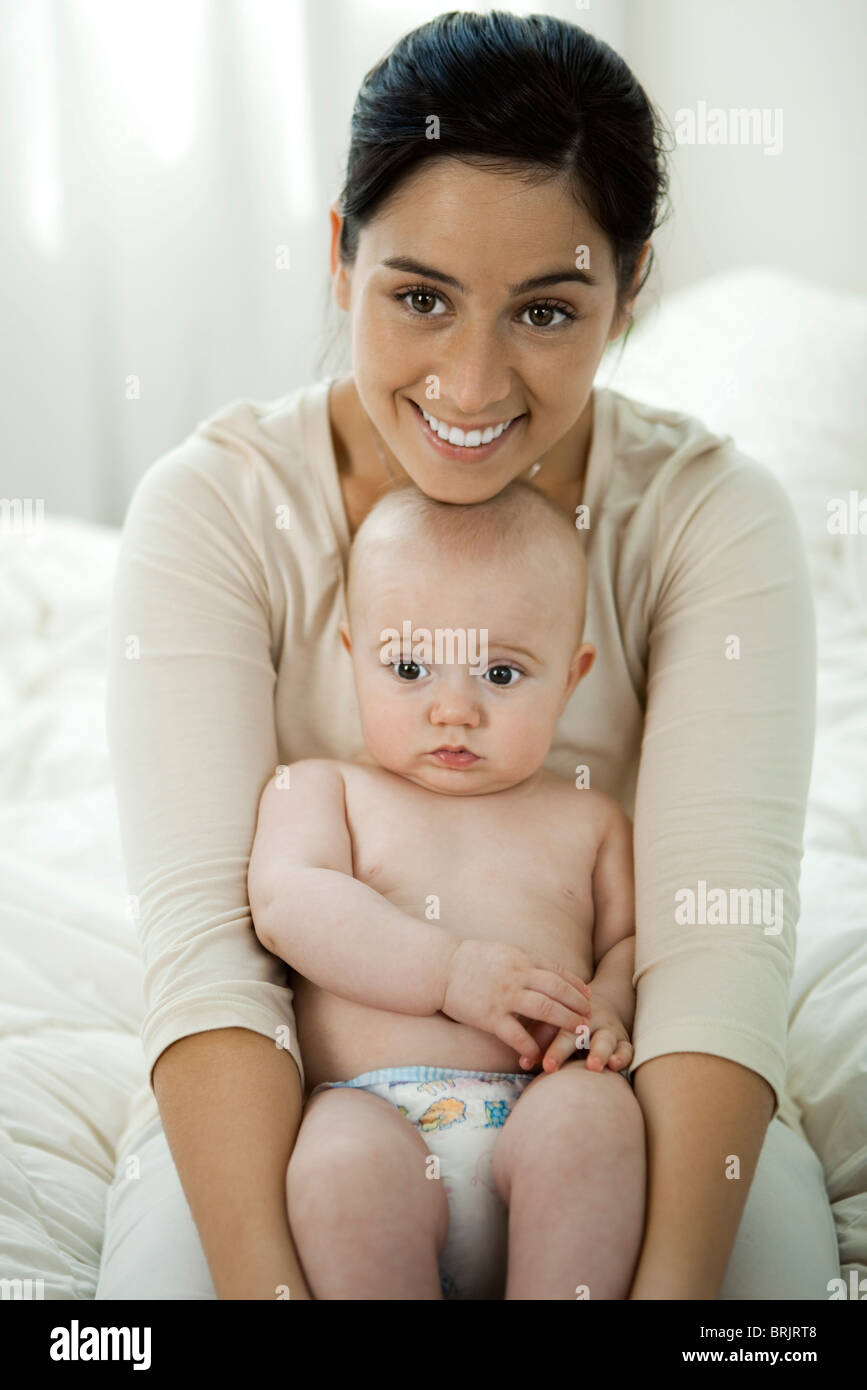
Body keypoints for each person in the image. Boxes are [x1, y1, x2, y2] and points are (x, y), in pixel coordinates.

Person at [97, 11, 840, 1300]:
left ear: (632, 287)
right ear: (341, 258)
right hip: (316, 1118)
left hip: (609, 1113)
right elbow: (212, 955)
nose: (473, 380)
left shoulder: (712, 519)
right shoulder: (215, 509)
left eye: (547, 310)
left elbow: (710, 955)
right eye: (421, 297)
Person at [248, 479, 642, 1300]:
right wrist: (448, 970)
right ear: (353, 656)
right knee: (337, 1158)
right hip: (372, 1110)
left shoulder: (591, 818)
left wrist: (606, 1009)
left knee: (597, 1119)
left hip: (538, 1112)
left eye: (500, 672)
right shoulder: (320, 790)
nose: (453, 709)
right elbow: (290, 904)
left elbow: (632, 944)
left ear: (570, 680)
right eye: (410, 667)